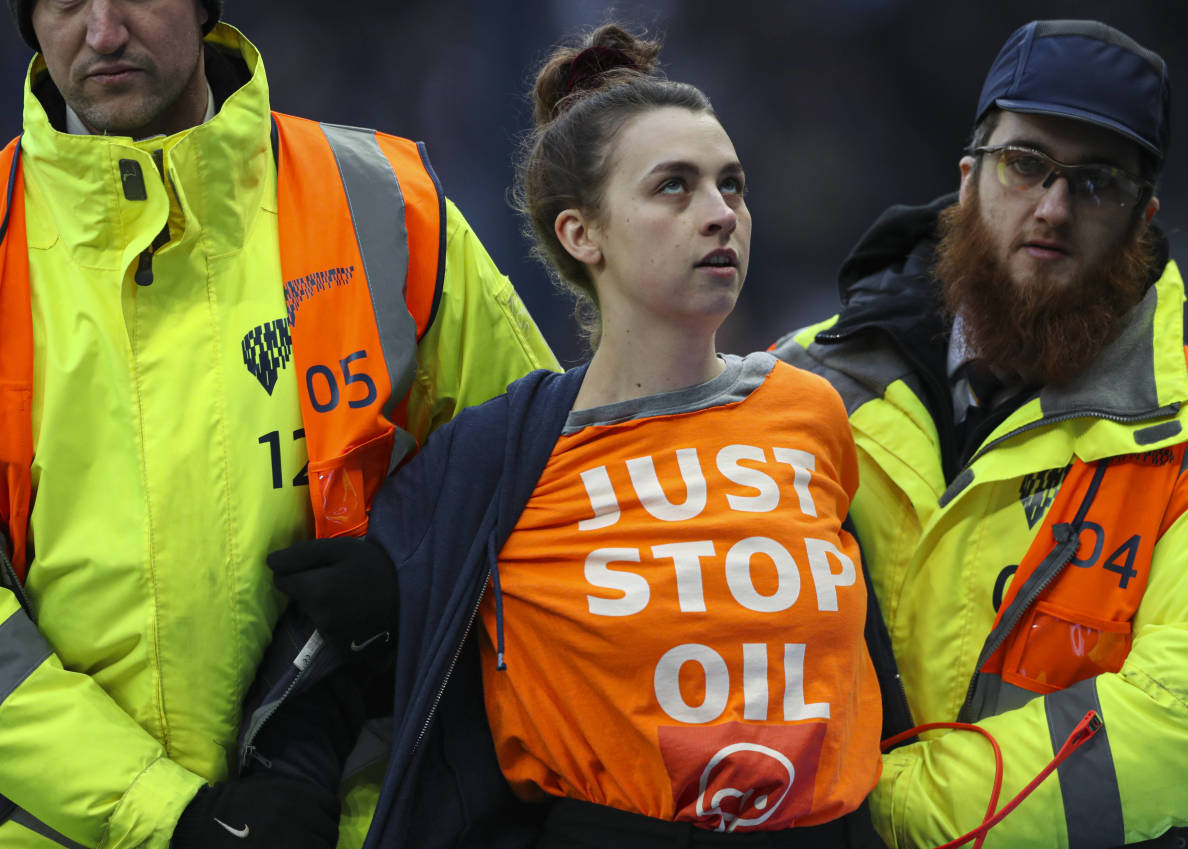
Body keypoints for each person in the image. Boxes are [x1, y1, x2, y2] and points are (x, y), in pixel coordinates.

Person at [254, 23, 886, 849]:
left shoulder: (811, 411)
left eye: (731, 185)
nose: (720, 215)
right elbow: (322, 667)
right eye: (674, 187)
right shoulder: (503, 457)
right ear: (582, 234)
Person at [0, 0, 558, 847]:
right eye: (66, 0)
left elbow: (554, 489)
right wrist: (170, 815)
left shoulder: (384, 203)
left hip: (364, 822)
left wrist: (419, 584)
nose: (103, 31)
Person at [772, 19, 1188, 849]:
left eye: (1097, 182)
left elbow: (1180, 717)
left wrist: (880, 812)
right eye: (1025, 163)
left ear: (1141, 221)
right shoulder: (800, 388)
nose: (1053, 207)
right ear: (969, 179)